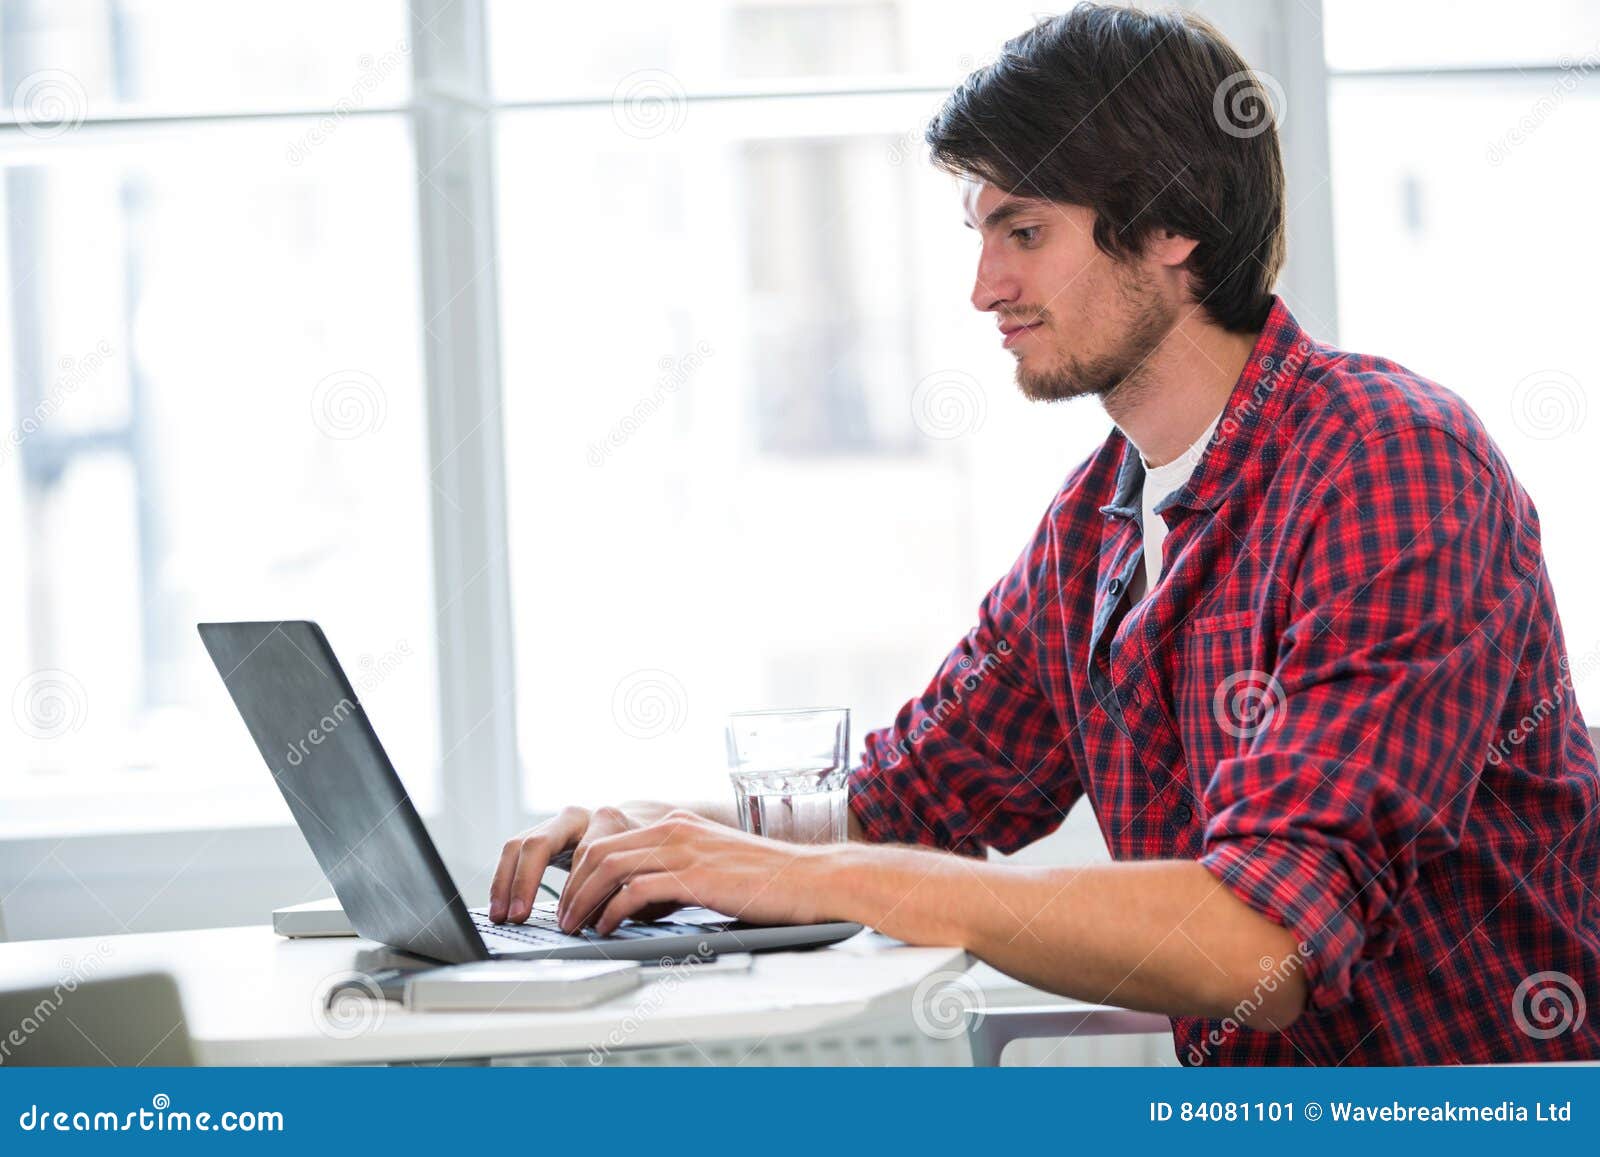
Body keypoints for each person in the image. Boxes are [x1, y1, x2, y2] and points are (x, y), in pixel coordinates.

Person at [489, 4, 1600, 1064]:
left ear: (1172, 227)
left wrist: (814, 877)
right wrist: (655, 831)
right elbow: (905, 801)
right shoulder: (1095, 524)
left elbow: (1264, 938)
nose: (984, 287)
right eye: (981, 234)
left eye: (1023, 230)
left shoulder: (1389, 461)